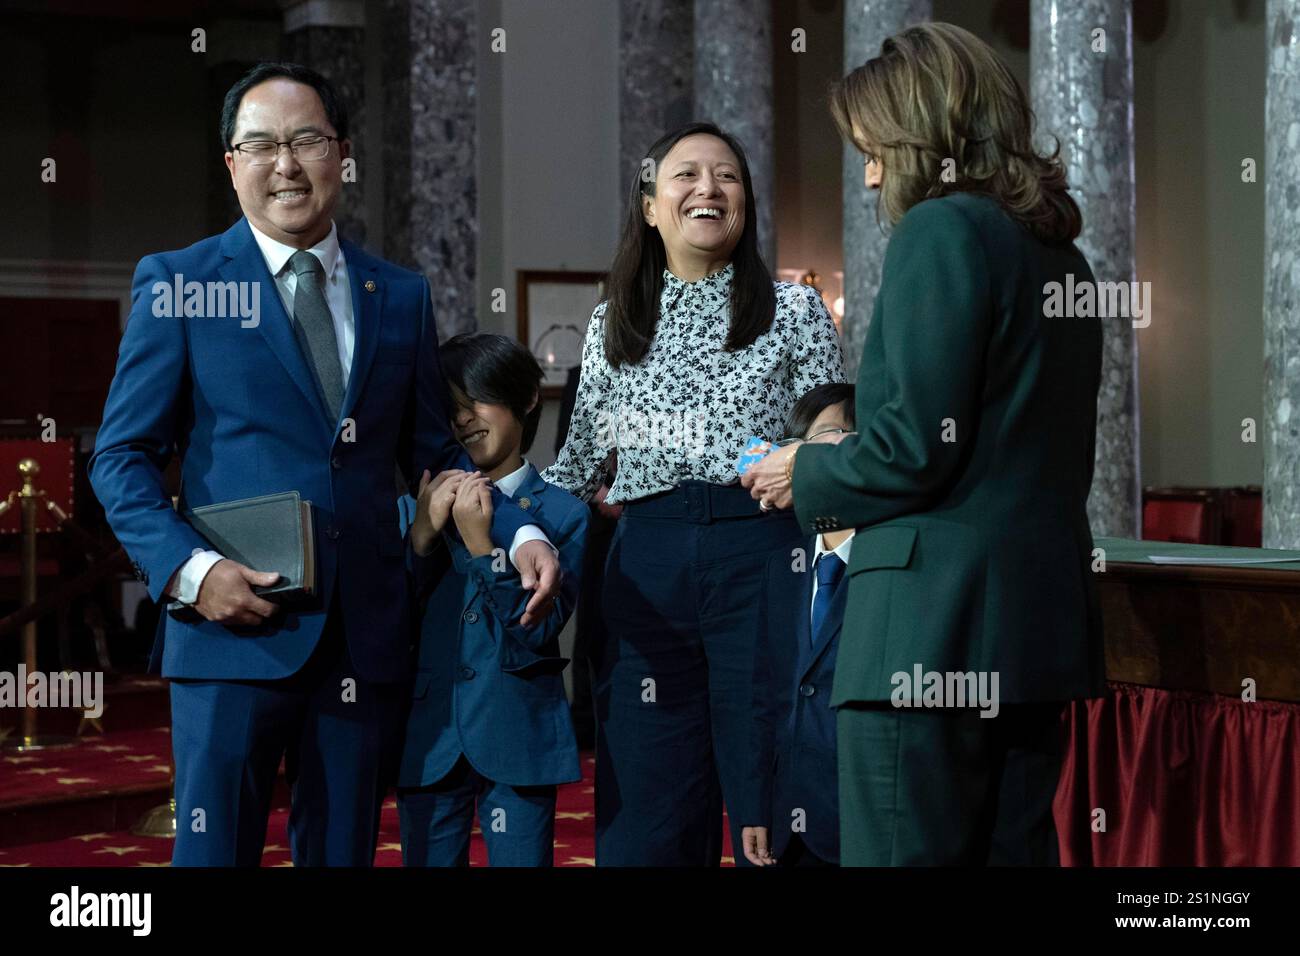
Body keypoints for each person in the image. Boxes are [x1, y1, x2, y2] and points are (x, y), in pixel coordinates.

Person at [88, 62, 560, 867]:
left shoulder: (398, 295)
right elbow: (121, 458)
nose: (286, 163)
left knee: (341, 854)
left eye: (306, 139)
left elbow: (436, 453)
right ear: (231, 162)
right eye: (261, 144)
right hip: (229, 628)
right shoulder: (182, 283)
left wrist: (519, 536)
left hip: (361, 636)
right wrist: (194, 573)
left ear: (340, 153)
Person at [742, 22, 1105, 866]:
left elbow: (912, 448)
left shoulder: (940, 233)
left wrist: (809, 467)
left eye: (875, 150)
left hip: (926, 635)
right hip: (1032, 632)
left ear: (926, 134)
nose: (869, 173)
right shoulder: (1066, 259)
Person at [543, 121, 845, 866]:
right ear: (650, 205)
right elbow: (578, 465)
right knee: (647, 810)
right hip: (649, 565)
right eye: (686, 175)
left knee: (773, 804)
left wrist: (804, 459)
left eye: (728, 176)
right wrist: (505, 510)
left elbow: (833, 441)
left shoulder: (795, 309)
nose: (708, 188)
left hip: (767, 558)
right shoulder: (615, 321)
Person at [396, 332, 587, 867]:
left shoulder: (563, 514)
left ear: (527, 399)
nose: (463, 421)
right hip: (429, 734)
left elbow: (538, 632)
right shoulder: (418, 503)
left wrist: (483, 546)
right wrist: (420, 541)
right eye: (450, 409)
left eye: (477, 401)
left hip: (518, 730)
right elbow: (386, 617)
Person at [742, 383, 856, 868]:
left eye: (829, 435)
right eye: (798, 443)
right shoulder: (781, 564)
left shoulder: (893, 570)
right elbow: (765, 693)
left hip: (861, 819)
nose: (843, 447)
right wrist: (757, 802)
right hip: (788, 820)